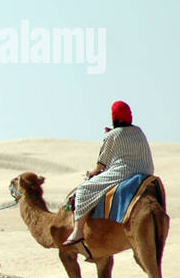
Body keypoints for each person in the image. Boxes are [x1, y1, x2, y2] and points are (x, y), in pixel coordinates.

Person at [63, 100, 154, 247]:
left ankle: (78, 231)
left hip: (125, 172)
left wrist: (91, 173)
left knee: (84, 189)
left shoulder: (113, 135)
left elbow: (101, 164)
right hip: (146, 171)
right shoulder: (138, 131)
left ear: (114, 117)